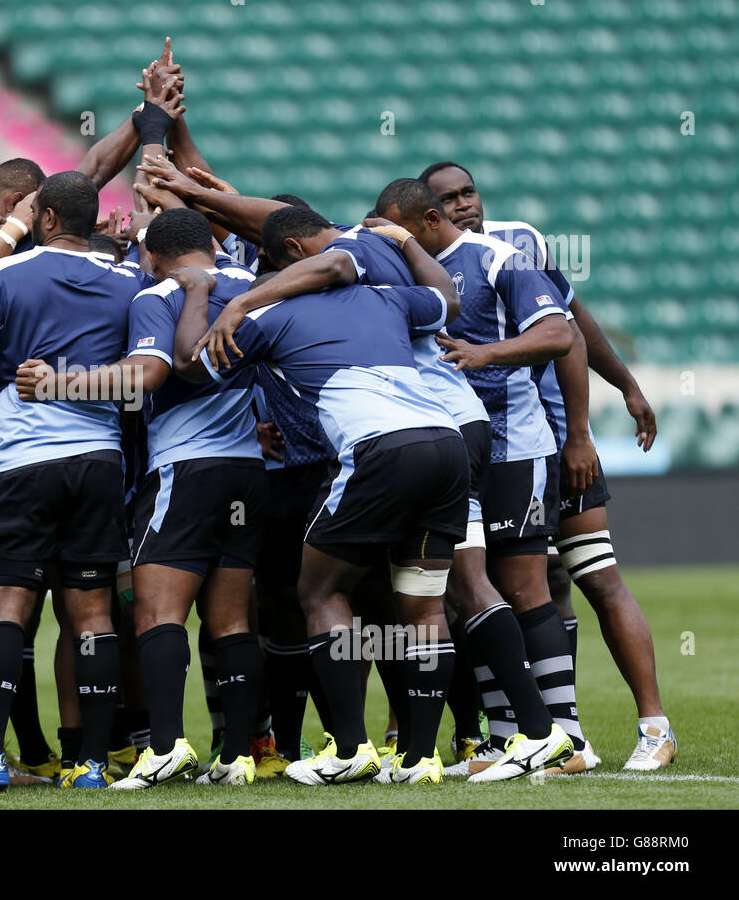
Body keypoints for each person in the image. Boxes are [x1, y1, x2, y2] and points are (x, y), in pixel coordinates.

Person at [181, 211, 472, 785]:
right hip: (447, 444)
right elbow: (447, 299)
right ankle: (420, 758)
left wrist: (205, 293)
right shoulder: (385, 297)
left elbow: (193, 363)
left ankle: (351, 748)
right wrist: (409, 242)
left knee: (318, 589)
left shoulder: (267, 315)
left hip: (379, 450)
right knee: (423, 604)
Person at [422, 160, 675, 771]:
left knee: (594, 577)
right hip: (484, 448)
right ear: (427, 215)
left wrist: (607, 406)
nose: (464, 205)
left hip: (551, 442)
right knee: (498, 588)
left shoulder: (518, 243)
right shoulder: (423, 263)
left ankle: (653, 727)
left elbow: (572, 327)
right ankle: (534, 735)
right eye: (448, 199)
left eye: (468, 193)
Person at [15, 208, 268, 788]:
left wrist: (57, 383)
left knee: (157, 612)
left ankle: (165, 746)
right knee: (230, 619)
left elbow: (146, 375)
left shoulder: (158, 292)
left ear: (152, 255)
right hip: (249, 471)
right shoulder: (252, 289)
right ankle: (236, 758)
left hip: (186, 469)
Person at [0, 171, 141, 793]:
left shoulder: (4, 274)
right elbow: (138, 380)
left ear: (47, 219)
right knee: (92, 612)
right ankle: (90, 767)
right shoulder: (131, 283)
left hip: (25, 460)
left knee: (8, 605)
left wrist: (0, 400)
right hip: (100, 462)